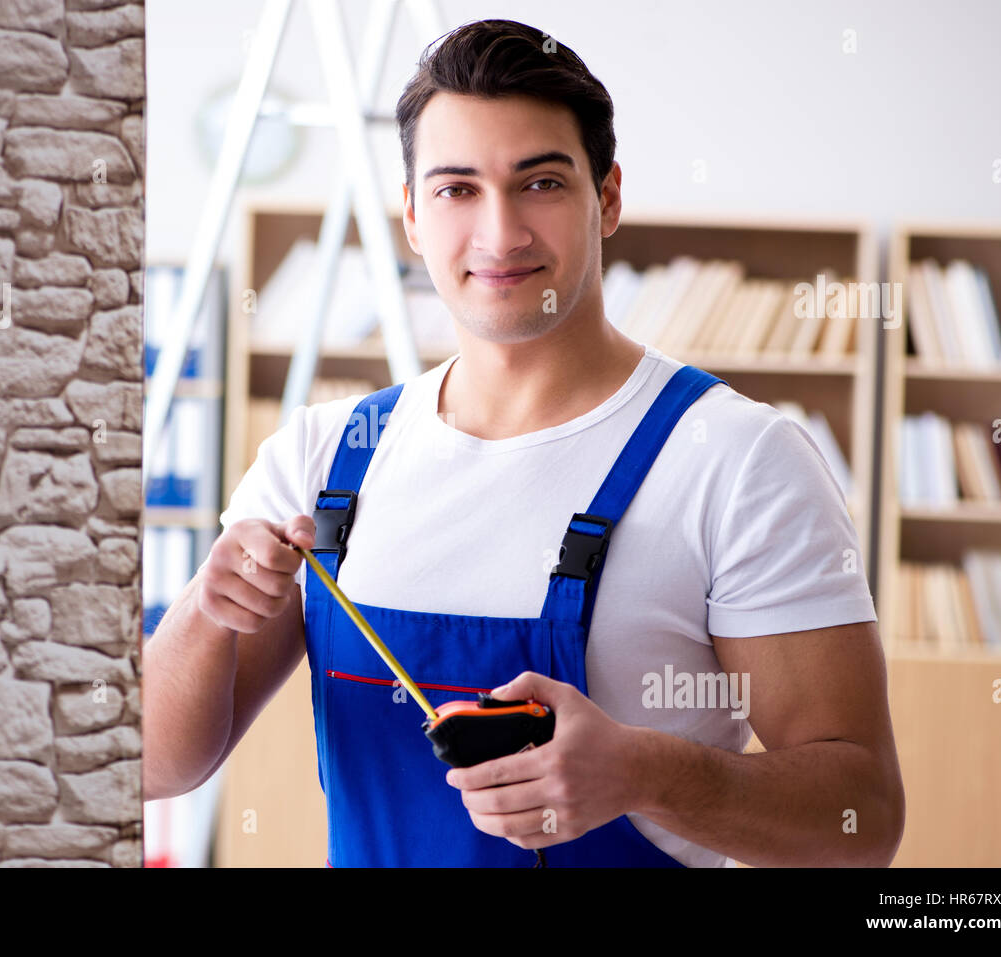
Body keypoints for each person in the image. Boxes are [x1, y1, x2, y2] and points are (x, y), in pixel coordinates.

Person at [143, 18, 905, 867]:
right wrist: (208, 616)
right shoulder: (324, 458)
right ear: (411, 216)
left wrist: (644, 772)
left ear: (607, 197)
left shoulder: (739, 461)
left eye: (539, 182)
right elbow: (154, 763)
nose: (499, 234)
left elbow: (861, 819)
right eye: (457, 189)